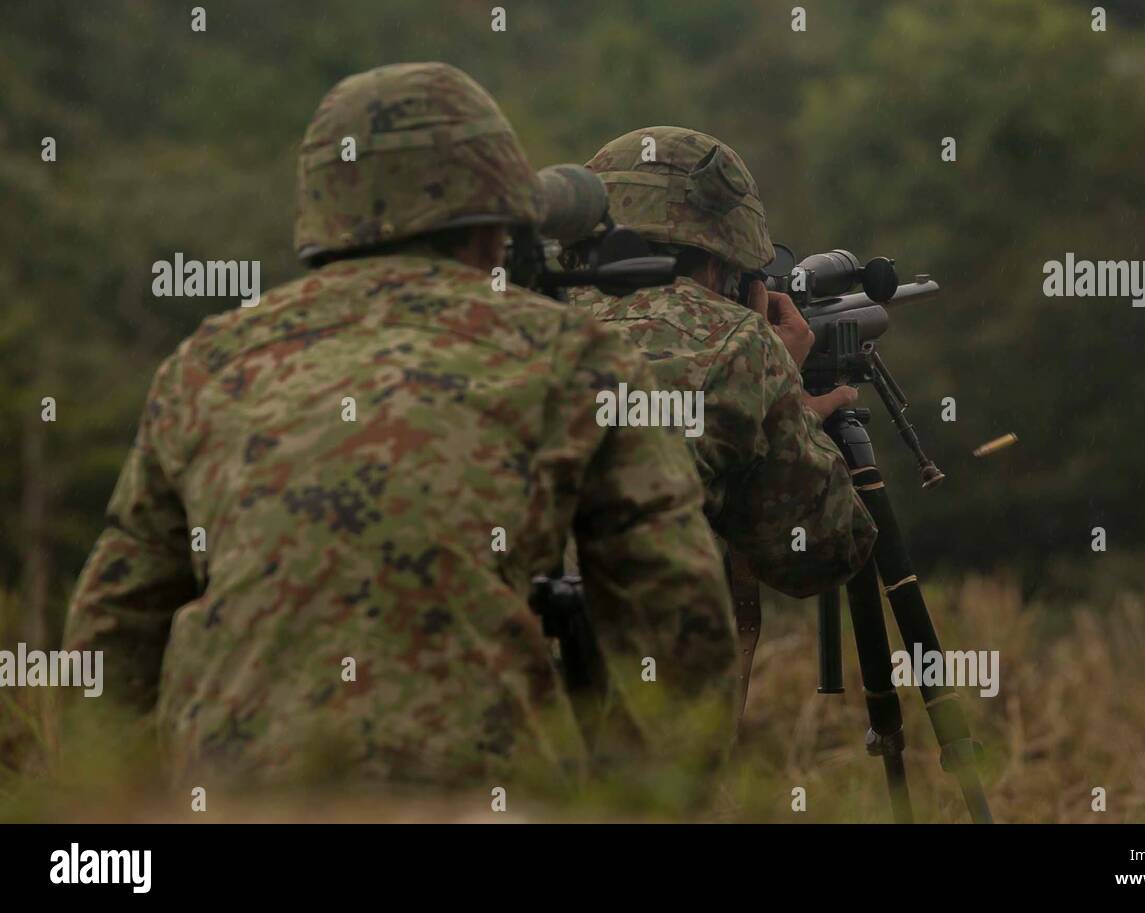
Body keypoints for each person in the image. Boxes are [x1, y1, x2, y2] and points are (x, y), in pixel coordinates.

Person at [63, 66, 737, 792]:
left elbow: (112, 627)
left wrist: (127, 818)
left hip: (237, 795)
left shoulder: (204, 363)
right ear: (499, 222)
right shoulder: (576, 356)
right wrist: (642, 800)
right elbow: (680, 614)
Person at [572, 127, 879, 702]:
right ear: (728, 266)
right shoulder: (736, 341)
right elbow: (822, 552)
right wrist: (781, 396)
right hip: (632, 735)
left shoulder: (524, 313)